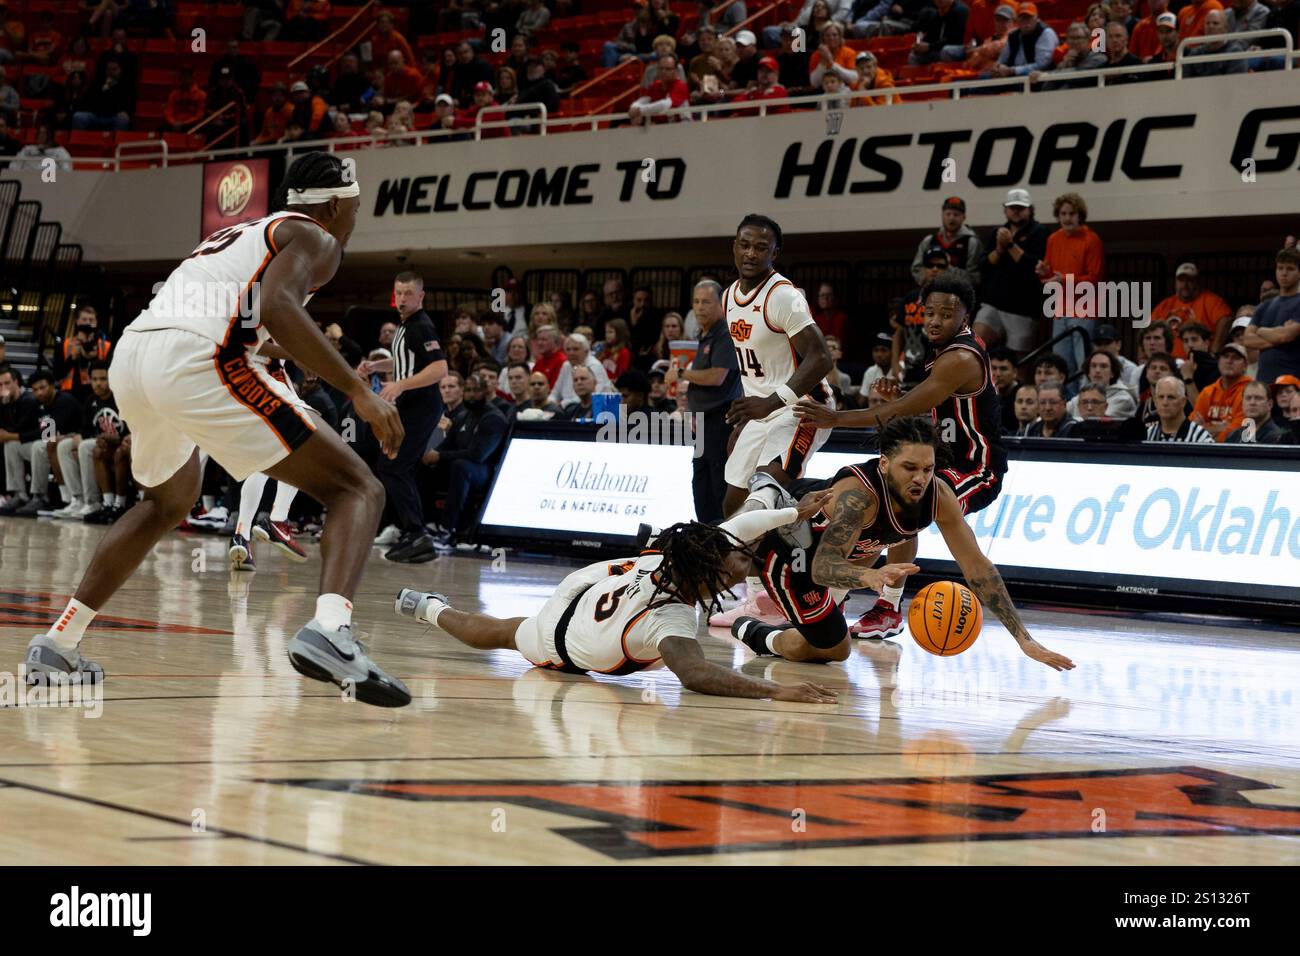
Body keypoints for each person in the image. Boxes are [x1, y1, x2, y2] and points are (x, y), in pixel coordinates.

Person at [19, 153, 412, 708]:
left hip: (136, 355)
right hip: (196, 358)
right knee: (358, 488)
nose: (354, 218)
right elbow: (276, 307)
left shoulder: (245, 233)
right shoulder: (318, 240)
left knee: (166, 501)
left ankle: (59, 644)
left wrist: (285, 352)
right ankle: (330, 630)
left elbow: (245, 313)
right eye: (353, 206)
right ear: (334, 204)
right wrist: (358, 390)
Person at [393, 492, 840, 702]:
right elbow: (697, 675)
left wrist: (798, 511)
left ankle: (426, 606)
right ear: (707, 572)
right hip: (560, 642)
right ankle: (433, 610)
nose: (745, 568)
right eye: (737, 566)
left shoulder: (699, 552)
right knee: (507, 635)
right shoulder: (672, 621)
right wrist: (774, 691)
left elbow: (748, 525)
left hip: (592, 583)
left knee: (506, 629)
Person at [729, 416, 1074, 671]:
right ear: (884, 463)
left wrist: (1024, 639)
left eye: (927, 468)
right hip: (791, 559)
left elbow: (978, 568)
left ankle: (794, 623)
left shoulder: (937, 494)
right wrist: (869, 578)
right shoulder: (858, 496)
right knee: (835, 651)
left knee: (826, 637)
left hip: (843, 561)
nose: (920, 477)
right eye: (910, 467)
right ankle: (759, 633)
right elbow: (822, 567)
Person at [796, 270, 1007, 639]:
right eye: (929, 313)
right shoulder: (941, 353)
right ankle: (843, 594)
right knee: (890, 490)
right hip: (943, 460)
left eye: (946, 313)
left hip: (976, 467)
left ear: (965, 318)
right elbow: (922, 409)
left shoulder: (961, 357)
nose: (935, 320)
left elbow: (903, 409)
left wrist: (836, 418)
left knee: (915, 498)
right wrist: (903, 398)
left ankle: (886, 606)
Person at [709, 214, 836, 628]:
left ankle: (789, 589)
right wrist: (748, 418)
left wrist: (770, 404)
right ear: (734, 245)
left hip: (803, 409)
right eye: (744, 244)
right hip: (763, 409)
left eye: (761, 247)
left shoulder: (783, 296)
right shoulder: (729, 296)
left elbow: (820, 358)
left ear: (774, 252)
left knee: (765, 492)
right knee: (732, 504)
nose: (751, 253)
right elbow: (756, 371)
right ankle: (760, 597)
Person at [366, 272, 449, 564]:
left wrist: (400, 384)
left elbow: (439, 369)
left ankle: (417, 534)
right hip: (411, 405)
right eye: (398, 292)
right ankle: (412, 532)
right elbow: (407, 362)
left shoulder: (421, 327)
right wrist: (378, 365)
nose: (402, 298)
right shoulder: (406, 326)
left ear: (420, 296)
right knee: (392, 465)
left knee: (394, 465)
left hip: (421, 405)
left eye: (408, 293)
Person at [665, 279, 741, 524]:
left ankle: (725, 544)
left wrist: (680, 374)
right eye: (696, 302)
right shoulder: (704, 336)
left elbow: (717, 377)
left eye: (706, 302)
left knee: (718, 484)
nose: (700, 307)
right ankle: (706, 539)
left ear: (721, 305)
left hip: (721, 420)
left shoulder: (725, 333)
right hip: (703, 421)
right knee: (701, 484)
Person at [228, 347, 308, 572]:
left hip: (243, 380)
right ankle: (278, 520)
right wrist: (301, 354)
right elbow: (249, 342)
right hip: (259, 376)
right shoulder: (256, 310)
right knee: (306, 441)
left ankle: (241, 536)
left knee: (266, 461)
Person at [974, 188, 1049, 354]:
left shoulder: (1039, 232)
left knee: (1020, 359)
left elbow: (1034, 267)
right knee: (975, 345)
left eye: (1020, 208)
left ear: (1029, 209)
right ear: (1005, 209)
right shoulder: (997, 232)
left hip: (1023, 309)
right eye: (1012, 207)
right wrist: (999, 250)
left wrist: (1010, 245)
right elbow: (983, 265)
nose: (1016, 211)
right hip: (993, 303)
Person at [1242, 246, 1300, 384]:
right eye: (1280, 268)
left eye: (1290, 269)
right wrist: (1278, 337)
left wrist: (1261, 330)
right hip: (1264, 382)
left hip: (1292, 383)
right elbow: (1248, 340)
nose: (1284, 273)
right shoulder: (1264, 306)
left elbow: (1285, 336)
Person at [1191, 343, 1252, 441]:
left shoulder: (1250, 391)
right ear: (1218, 362)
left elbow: (1238, 432)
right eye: (1225, 356)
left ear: (1245, 366)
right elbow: (1193, 427)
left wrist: (1206, 428)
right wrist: (1223, 427)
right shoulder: (1207, 392)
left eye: (1235, 358)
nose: (1229, 361)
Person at [1145, 377, 1215, 443]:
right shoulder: (1147, 434)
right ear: (1155, 402)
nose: (1165, 403)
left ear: (1183, 402)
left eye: (1171, 397)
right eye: (1161, 397)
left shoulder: (1201, 437)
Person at [1225, 380, 1293, 444]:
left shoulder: (1279, 438)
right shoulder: (1233, 436)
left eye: (1258, 398)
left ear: (1270, 404)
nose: (1252, 403)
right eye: (1248, 398)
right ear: (1242, 403)